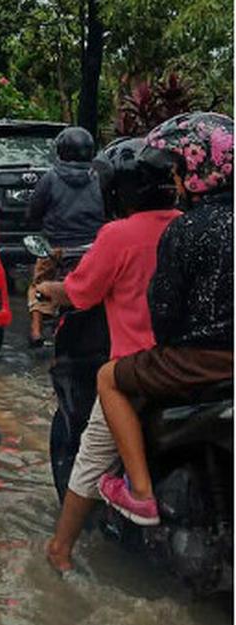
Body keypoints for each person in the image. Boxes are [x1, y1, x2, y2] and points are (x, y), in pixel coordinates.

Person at [35, 137, 181, 571]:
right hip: (188, 363)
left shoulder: (117, 235)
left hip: (136, 370)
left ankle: (60, 551)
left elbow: (81, 292)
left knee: (91, 457)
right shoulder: (186, 225)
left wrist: (47, 290)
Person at [94, 112, 234, 527]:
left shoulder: (187, 230)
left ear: (196, 171)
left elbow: (164, 317)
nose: (173, 181)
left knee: (107, 377)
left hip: (200, 360)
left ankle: (139, 492)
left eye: (177, 170)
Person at [27, 127, 104, 347]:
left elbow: (34, 211)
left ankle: (36, 330)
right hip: (92, 247)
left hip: (56, 246)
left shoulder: (50, 178)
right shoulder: (99, 177)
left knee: (39, 283)